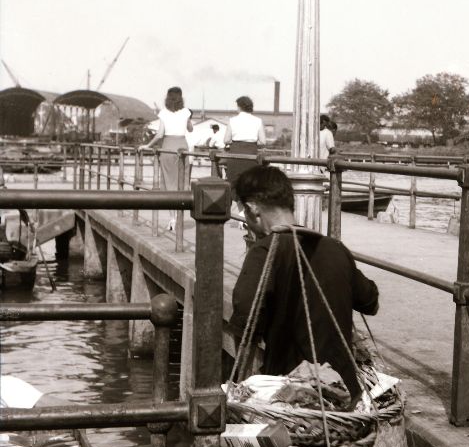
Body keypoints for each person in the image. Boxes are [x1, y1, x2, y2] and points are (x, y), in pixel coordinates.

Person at [229, 165, 379, 398]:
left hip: (294, 393)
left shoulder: (264, 252)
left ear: (253, 209)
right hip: (345, 391)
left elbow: (246, 321)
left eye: (245, 216)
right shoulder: (335, 248)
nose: (246, 223)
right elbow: (370, 301)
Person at [142, 86, 193, 230]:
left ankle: (173, 219)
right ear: (181, 97)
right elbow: (190, 129)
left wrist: (147, 146)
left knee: (169, 183)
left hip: (168, 147)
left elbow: (159, 134)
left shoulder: (163, 112)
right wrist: (187, 121)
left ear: (168, 97)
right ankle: (179, 216)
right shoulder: (186, 112)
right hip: (182, 146)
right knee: (182, 183)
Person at [223, 96, 266, 200]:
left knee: (235, 185)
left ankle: (240, 212)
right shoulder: (258, 121)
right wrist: (253, 142)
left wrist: (235, 141)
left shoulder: (233, 120)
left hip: (235, 154)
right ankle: (245, 213)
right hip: (251, 155)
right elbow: (263, 141)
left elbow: (226, 140)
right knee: (250, 185)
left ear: (240, 107)